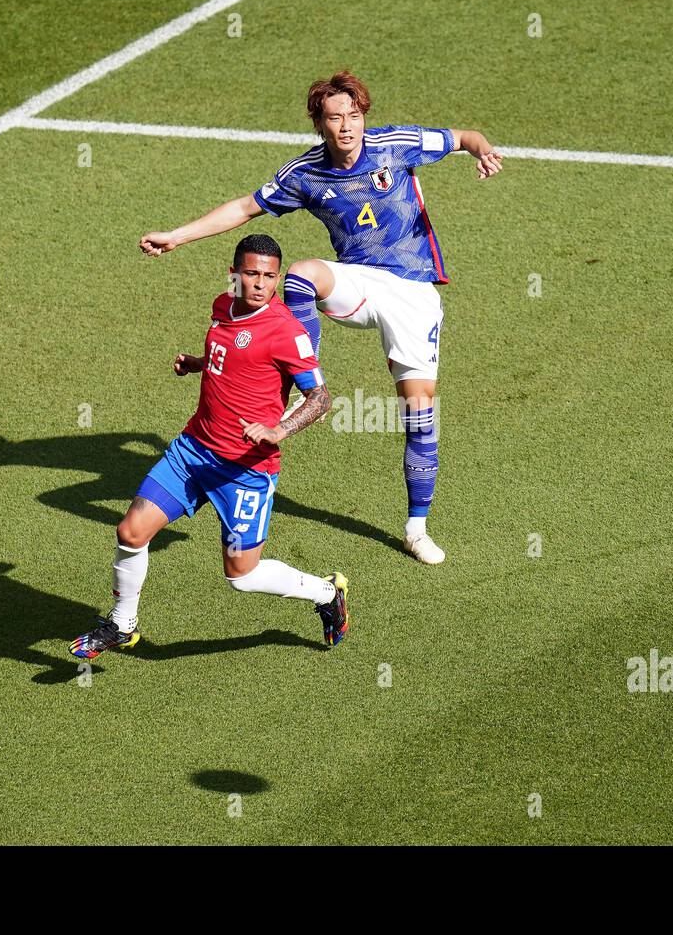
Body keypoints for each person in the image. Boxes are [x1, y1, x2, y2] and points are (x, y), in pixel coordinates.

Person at [139, 70, 504, 565]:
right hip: (355, 280)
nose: (347, 127)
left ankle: (416, 527)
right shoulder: (305, 174)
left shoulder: (396, 144)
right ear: (320, 124)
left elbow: (464, 137)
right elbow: (246, 208)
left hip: (414, 292)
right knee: (304, 274)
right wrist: (178, 236)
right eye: (335, 118)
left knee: (420, 416)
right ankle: (297, 385)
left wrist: (482, 150)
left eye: (354, 116)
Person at [70, 234, 349, 659]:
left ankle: (326, 592)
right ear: (234, 274)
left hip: (244, 470)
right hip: (192, 451)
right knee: (130, 531)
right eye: (251, 274)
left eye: (269, 276)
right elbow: (236, 358)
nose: (260, 284)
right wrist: (201, 364)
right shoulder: (224, 305)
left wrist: (279, 431)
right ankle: (122, 623)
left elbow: (321, 398)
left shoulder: (286, 332)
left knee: (240, 575)